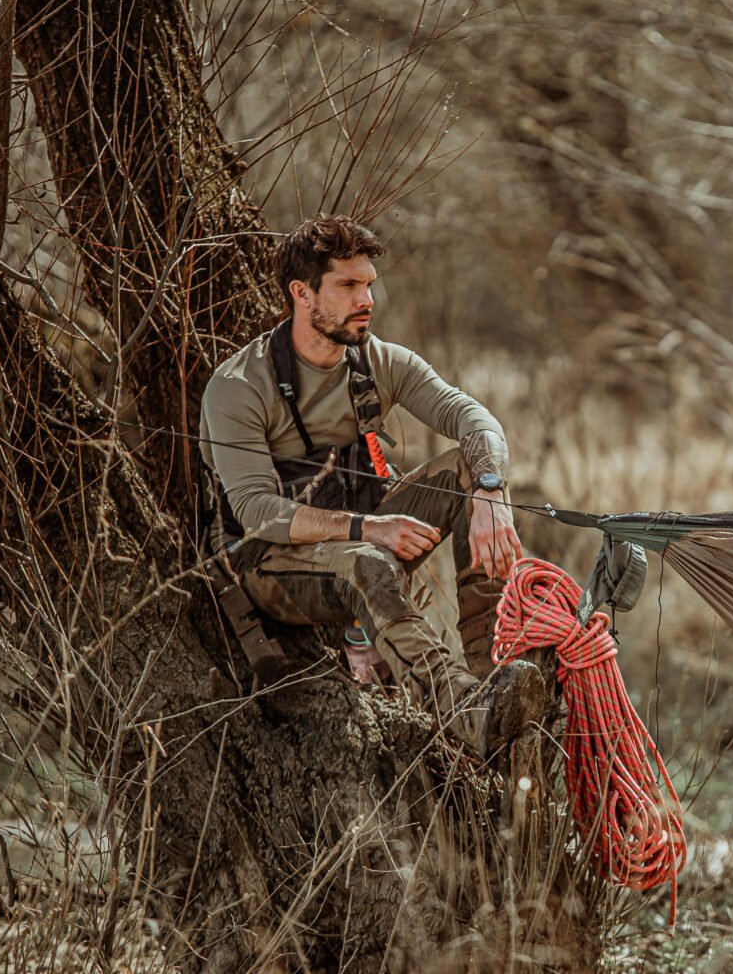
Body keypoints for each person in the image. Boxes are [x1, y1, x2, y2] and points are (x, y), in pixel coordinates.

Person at [198, 215, 546, 759]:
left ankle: (495, 675)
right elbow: (254, 510)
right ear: (302, 293)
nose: (367, 299)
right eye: (348, 285)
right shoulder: (239, 386)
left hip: (369, 538)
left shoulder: (378, 360)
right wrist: (366, 527)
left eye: (369, 285)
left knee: (463, 470)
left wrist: (490, 490)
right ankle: (465, 711)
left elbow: (472, 417)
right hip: (270, 566)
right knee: (366, 560)